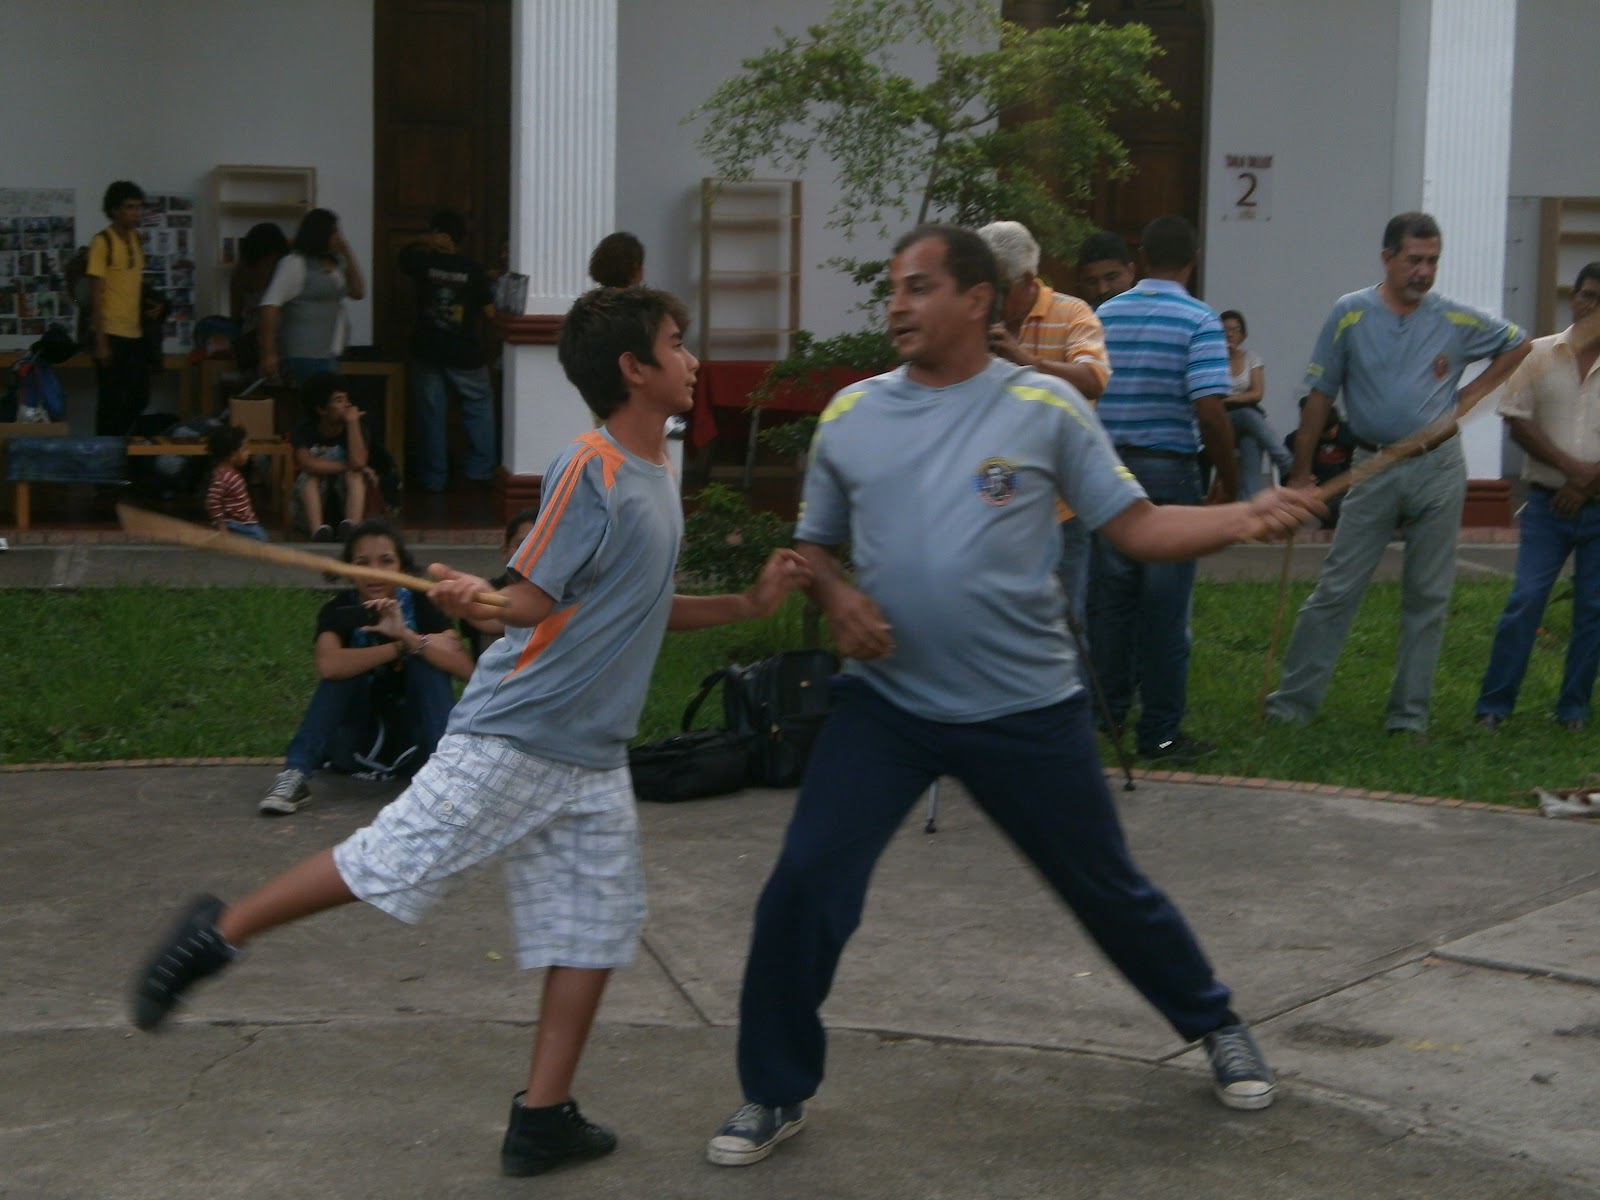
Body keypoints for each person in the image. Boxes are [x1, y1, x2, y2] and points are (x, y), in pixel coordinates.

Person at [131, 285, 812, 1180]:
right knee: (393, 857)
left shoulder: (659, 472)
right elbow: (530, 603)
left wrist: (750, 603)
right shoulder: (591, 467)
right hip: (520, 734)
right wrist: (473, 597)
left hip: (593, 753)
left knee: (596, 926)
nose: (692, 360)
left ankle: (543, 1117)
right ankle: (219, 929)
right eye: (678, 345)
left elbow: (635, 607)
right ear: (634, 370)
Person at [705, 224, 1323, 1169]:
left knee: (1106, 888)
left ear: (978, 301)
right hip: (888, 708)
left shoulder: (1046, 409)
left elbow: (1141, 527)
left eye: (918, 288)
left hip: (1026, 708)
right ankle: (773, 1088)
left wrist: (1243, 514)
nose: (897, 307)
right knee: (804, 887)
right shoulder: (853, 415)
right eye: (893, 290)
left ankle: (1213, 1021)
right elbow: (811, 547)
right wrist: (835, 597)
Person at [1266, 212, 1531, 734]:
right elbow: (1320, 395)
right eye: (1414, 260)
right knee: (1337, 588)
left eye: (1432, 261)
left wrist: (1472, 395)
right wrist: (1300, 474)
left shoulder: (1454, 319)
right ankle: (1291, 707)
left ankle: (1408, 717)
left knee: (1428, 597)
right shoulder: (1350, 314)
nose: (1423, 272)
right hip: (1372, 465)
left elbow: (1518, 342)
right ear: (1387, 258)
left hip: (1438, 470)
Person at [1088, 215, 1237, 763]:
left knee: (1113, 602)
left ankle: (1105, 716)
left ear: (1142, 257)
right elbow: (1209, 407)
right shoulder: (1199, 320)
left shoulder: (1104, 314)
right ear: (1192, 258)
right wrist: (1230, 475)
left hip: (1108, 469)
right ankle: (1161, 732)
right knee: (1166, 607)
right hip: (1170, 471)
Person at [257, 519, 475, 816]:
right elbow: (329, 665)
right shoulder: (340, 611)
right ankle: (295, 775)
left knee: (427, 665)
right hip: (354, 743)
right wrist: (396, 647)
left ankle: (446, 779)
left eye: (386, 561)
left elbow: (464, 668)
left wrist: (407, 636)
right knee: (348, 670)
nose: (375, 571)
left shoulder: (423, 604)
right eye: (363, 562)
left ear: (401, 566)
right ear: (349, 569)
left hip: (415, 743)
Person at [1474, 263, 1600, 732]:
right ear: (1574, 297)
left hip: (1598, 508)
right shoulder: (1539, 353)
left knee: (1593, 610)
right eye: (1586, 294)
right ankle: (1494, 705)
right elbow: (1516, 419)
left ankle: (1573, 709)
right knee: (1525, 600)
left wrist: (1589, 483)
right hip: (1549, 505)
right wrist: (1572, 473)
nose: (1591, 305)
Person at [978, 219, 1110, 629]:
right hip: (990, 501)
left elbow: (1094, 379)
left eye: (997, 287)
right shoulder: (973, 321)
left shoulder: (1072, 313)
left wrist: (1028, 362)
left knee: (1065, 627)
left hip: (1060, 508)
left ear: (1026, 281)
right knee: (994, 626)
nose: (988, 297)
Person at [399, 210, 499, 493]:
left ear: (437, 234)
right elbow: (490, 312)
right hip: (465, 352)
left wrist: (423, 240)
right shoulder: (473, 270)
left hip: (427, 351)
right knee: (479, 408)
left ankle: (434, 478)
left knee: (432, 415)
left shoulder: (422, 262)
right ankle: (479, 471)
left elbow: (402, 258)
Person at [258, 208, 366, 386]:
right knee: (319, 407)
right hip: (303, 353)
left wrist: (347, 252)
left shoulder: (335, 265)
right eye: (334, 231)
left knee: (327, 408)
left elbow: (358, 292)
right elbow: (270, 305)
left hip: (330, 351)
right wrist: (269, 353)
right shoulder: (294, 263)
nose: (338, 236)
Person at [87, 180, 152, 435]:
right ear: (114, 210)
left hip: (134, 333)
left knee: (140, 395)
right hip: (110, 332)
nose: (136, 213)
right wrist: (101, 341)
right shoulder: (102, 242)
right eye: (129, 207)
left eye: (138, 207)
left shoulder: (136, 239)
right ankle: (105, 453)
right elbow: (96, 294)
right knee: (110, 400)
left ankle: (119, 442)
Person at [290, 372, 373, 541]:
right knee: (309, 477)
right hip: (312, 507)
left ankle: (351, 530)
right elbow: (308, 463)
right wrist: (347, 465)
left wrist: (352, 423)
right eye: (339, 400)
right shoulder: (304, 430)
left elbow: (358, 462)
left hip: (344, 502)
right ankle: (318, 533)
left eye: (346, 399)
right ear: (321, 409)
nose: (347, 405)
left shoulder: (357, 427)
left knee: (355, 476)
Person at [1220, 310, 1293, 497]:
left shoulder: (1251, 358)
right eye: (1225, 329)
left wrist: (1229, 398)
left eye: (1235, 329)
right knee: (1247, 414)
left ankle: (1247, 502)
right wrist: (1235, 399)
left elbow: (1257, 394)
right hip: (1221, 421)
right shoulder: (1212, 359)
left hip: (1246, 422)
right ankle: (1287, 463)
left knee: (1251, 441)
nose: (1229, 334)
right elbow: (1213, 398)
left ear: (1243, 335)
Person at [462, 505, 540, 657]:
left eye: (540, 546)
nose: (530, 554)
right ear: (505, 551)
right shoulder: (480, 593)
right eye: (522, 545)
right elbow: (484, 621)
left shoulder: (569, 594)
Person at [1283, 395, 1355, 528]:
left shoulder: (1351, 434)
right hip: (1313, 495)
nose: (1332, 433)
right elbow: (1288, 476)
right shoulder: (1295, 441)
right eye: (1326, 431)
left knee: (1343, 506)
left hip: (1345, 491)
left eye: (1334, 427)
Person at [229, 222, 290, 372]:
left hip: (249, 339)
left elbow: (235, 314)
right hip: (280, 339)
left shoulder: (240, 271)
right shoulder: (281, 268)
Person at [203, 424, 267, 542]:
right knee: (260, 538)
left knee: (261, 537)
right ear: (232, 455)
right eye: (244, 449)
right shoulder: (223, 477)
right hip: (236, 523)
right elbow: (212, 501)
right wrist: (221, 524)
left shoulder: (230, 474)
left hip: (243, 521)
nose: (248, 452)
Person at [1076, 230, 1137, 310]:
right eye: (1092, 282)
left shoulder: (1153, 311)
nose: (1102, 290)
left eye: (1111, 278)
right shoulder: (1079, 320)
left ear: (1130, 271)